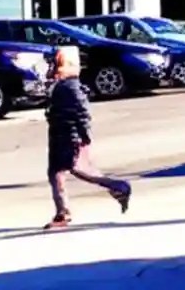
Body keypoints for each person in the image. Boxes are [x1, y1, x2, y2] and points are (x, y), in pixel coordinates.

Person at [45, 46, 132, 230]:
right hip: (59, 135)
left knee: (78, 170)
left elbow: (82, 114)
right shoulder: (63, 85)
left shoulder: (71, 87)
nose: (50, 66)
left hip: (69, 137)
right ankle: (62, 212)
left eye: (54, 62)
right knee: (56, 173)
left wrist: (84, 136)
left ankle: (120, 187)